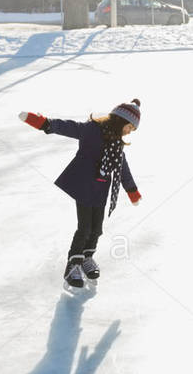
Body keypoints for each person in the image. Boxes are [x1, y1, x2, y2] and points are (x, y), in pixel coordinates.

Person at [19, 99, 142, 287]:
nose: (128, 132)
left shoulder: (117, 144)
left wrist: (131, 189)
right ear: (120, 120)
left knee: (97, 229)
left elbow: (123, 168)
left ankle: (86, 257)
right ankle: (72, 265)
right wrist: (44, 123)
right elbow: (69, 127)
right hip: (84, 186)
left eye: (131, 130)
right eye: (129, 128)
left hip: (101, 189)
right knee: (84, 228)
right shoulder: (92, 130)